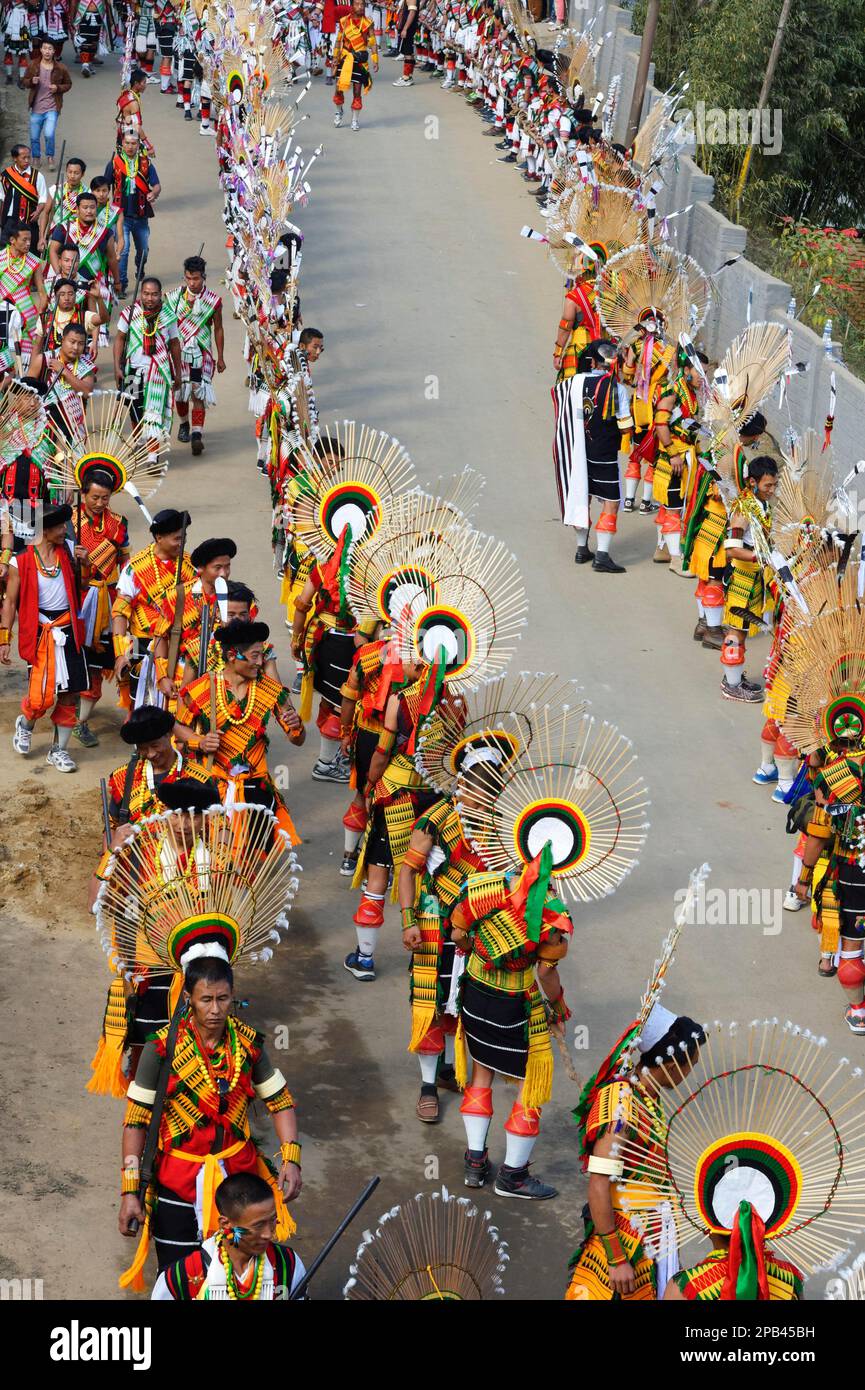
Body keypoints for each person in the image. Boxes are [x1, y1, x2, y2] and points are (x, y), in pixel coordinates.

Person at [117, 860, 302, 1281]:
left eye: (223, 998)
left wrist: (291, 1157)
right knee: (181, 1277)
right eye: (206, 1000)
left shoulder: (248, 1043)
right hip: (176, 1183)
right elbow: (136, 1120)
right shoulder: (161, 1048)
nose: (215, 1010)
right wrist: (130, 1190)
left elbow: (280, 1100)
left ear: (234, 995)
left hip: (237, 1186)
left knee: (239, 1275)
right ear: (188, 998)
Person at [450, 847, 573, 1198]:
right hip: (515, 1009)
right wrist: (559, 1007)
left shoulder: (482, 888)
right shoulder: (552, 914)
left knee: (482, 1070)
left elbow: (458, 935)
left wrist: (482, 951)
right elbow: (546, 973)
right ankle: (513, 1176)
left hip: (474, 996)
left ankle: (475, 1164)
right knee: (529, 1082)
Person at [565, 1007, 705, 1299]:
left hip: (650, 1234)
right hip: (625, 1239)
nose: (690, 1072)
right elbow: (599, 1183)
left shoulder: (645, 1096)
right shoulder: (622, 1107)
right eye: (690, 1063)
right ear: (669, 1062)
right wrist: (616, 1259)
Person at [173, 618, 305, 843]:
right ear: (233, 656)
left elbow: (298, 740)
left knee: (252, 861)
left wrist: (296, 725)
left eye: (262, 655)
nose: (260, 662)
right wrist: (201, 742)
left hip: (254, 788)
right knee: (215, 859)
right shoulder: (202, 688)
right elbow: (177, 728)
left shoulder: (271, 691)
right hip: (213, 786)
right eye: (255, 656)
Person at [0, 500, 88, 772]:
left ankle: (59, 750)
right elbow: (11, 603)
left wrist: (85, 565)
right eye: (60, 526)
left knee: (70, 694)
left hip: (68, 628)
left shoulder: (72, 552)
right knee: (41, 697)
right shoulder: (20, 561)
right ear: (44, 530)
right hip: (40, 633)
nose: (65, 530)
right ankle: (25, 723)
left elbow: (83, 585)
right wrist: (5, 640)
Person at [152, 1172, 306, 1300]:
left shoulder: (288, 1264)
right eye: (258, 1226)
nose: (267, 1234)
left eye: (272, 1220)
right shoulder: (181, 1277)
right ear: (225, 1224)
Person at [71, 465, 131, 747]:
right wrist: (77, 560)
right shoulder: (69, 521)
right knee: (75, 657)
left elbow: (125, 561)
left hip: (107, 599)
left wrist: (127, 590)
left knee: (103, 659)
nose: (99, 503)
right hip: (76, 598)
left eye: (105, 498)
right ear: (83, 494)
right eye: (94, 497)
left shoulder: (119, 523)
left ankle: (81, 721)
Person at [112, 507, 195, 704]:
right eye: (177, 538)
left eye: (184, 537)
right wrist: (120, 654)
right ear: (159, 537)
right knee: (144, 705)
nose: (181, 543)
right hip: (144, 644)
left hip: (179, 645)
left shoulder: (190, 564)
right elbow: (120, 612)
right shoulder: (135, 569)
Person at [720, 455, 778, 703]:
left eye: (774, 485)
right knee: (736, 631)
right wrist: (760, 557)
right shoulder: (743, 510)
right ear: (753, 482)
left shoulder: (761, 504)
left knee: (741, 631)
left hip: (753, 579)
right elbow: (731, 548)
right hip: (742, 580)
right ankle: (732, 686)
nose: (771, 490)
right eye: (767, 486)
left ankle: (734, 680)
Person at [150, 535, 235, 698]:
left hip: (224, 678)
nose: (224, 573)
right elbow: (160, 635)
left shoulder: (238, 598)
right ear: (201, 569)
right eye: (217, 568)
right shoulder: (177, 596)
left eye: (227, 567)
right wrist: (162, 676)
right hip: (182, 676)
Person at [165, 255, 225, 456]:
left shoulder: (213, 302)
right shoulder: (172, 298)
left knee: (198, 390)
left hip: (201, 353)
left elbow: (218, 329)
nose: (193, 283)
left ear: (203, 277)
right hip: (178, 353)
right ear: (185, 277)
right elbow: (164, 325)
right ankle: (184, 424)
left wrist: (221, 356)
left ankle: (197, 435)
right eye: (189, 278)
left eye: (196, 278)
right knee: (180, 391)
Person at [114, 276, 182, 448]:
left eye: (154, 294)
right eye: (146, 293)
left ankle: (153, 454)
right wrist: (117, 367)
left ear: (160, 295)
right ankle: (139, 440)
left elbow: (175, 344)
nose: (149, 298)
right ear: (141, 294)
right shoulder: (130, 313)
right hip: (133, 370)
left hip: (158, 372)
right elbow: (120, 339)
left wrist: (178, 373)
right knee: (134, 408)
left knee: (154, 413)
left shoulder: (168, 316)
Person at [105, 130, 161, 297]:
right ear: (122, 144)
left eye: (133, 143)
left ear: (138, 145)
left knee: (143, 250)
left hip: (141, 216)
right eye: (127, 143)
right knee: (123, 250)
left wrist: (154, 193)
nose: (130, 147)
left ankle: (140, 268)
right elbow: (104, 184)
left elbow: (157, 185)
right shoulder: (114, 163)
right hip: (121, 216)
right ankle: (121, 284)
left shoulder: (146, 163)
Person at [48, 190, 120, 300]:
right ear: (77, 209)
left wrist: (117, 281)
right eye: (85, 207)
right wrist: (59, 274)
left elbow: (111, 258)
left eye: (92, 207)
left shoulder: (105, 232)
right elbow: (52, 250)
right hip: (68, 283)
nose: (89, 211)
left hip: (94, 283)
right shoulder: (64, 228)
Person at [25, 39, 72, 172]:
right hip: (36, 108)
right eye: (45, 48)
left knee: (49, 133)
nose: (47, 51)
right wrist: (31, 81)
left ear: (54, 51)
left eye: (50, 49)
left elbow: (68, 84)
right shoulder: (33, 65)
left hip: (52, 107)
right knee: (34, 136)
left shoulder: (61, 68)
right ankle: (36, 157)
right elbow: (24, 81)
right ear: (40, 49)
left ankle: (50, 157)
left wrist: (57, 88)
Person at [332, 0, 378, 132]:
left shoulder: (368, 23)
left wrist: (375, 60)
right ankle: (339, 112)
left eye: (362, 4)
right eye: (357, 4)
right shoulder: (344, 21)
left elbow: (373, 42)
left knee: (357, 92)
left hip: (359, 60)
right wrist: (335, 57)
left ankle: (354, 120)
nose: (360, 7)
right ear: (352, 6)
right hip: (345, 58)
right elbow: (338, 40)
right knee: (338, 89)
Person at [0, 145, 47, 251]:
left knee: (30, 250)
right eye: (23, 158)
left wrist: (38, 212)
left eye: (28, 157)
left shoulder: (37, 176)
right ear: (15, 158)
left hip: (30, 219)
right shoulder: (5, 176)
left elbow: (43, 199)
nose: (27, 161)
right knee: (6, 250)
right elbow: (2, 198)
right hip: (9, 220)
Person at [115, 67, 156, 155]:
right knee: (145, 166)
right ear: (136, 84)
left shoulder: (125, 95)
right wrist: (148, 147)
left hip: (121, 137)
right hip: (131, 141)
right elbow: (137, 127)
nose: (146, 85)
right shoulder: (133, 103)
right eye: (144, 82)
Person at [46, 154, 88, 234]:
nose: (72, 176)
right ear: (66, 172)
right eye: (70, 172)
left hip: (76, 234)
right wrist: (42, 237)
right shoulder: (56, 189)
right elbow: (46, 213)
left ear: (82, 174)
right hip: (56, 233)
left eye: (76, 173)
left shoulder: (87, 192)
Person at [392, 0, 418, 87]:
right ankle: (408, 76)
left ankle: (406, 77)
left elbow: (412, 13)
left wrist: (405, 28)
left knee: (407, 53)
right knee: (408, 52)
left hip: (408, 28)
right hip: (408, 27)